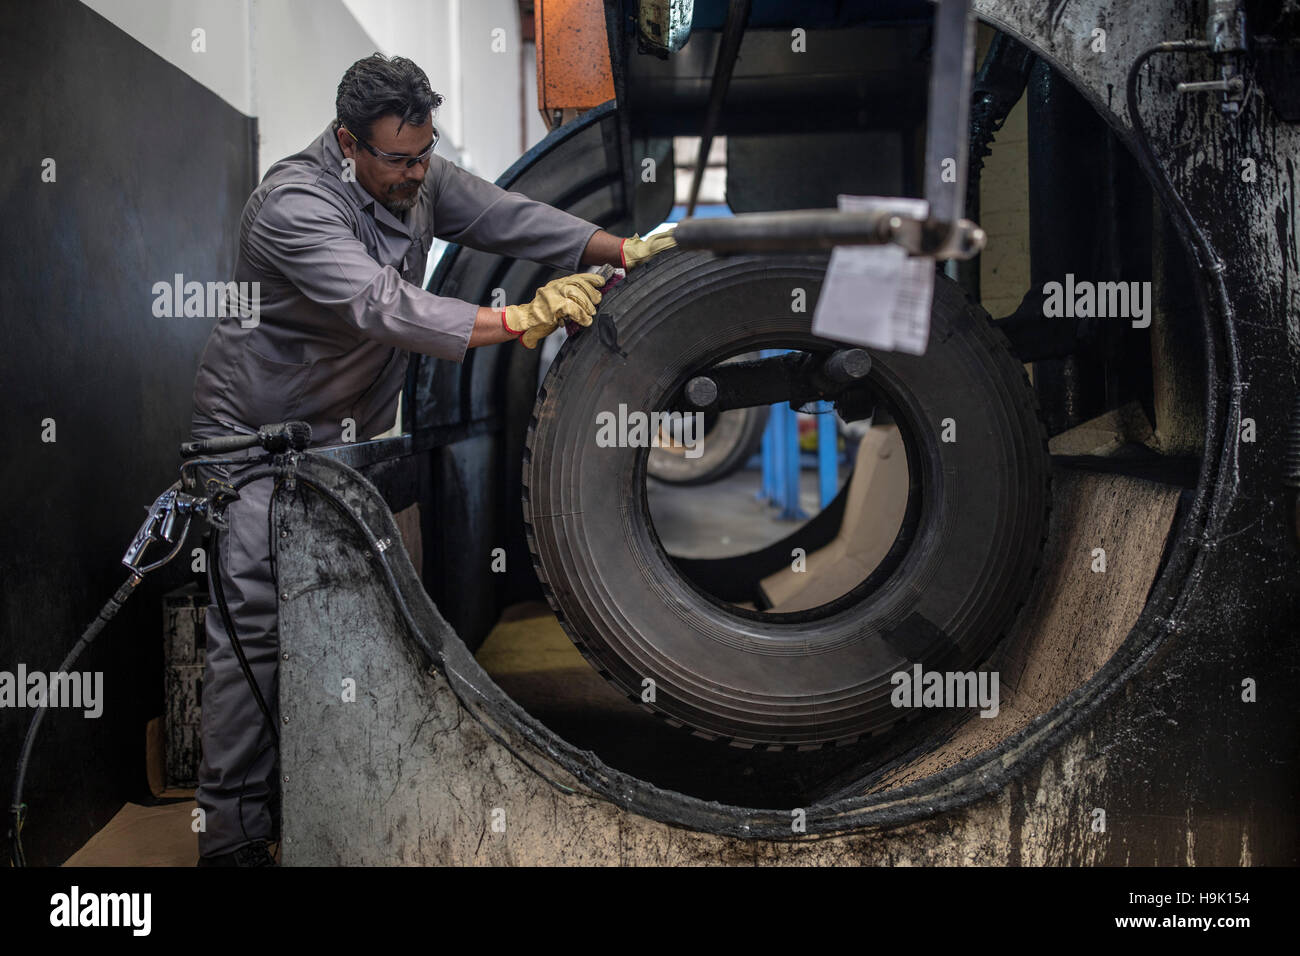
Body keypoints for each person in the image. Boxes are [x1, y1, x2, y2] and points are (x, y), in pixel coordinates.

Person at [188, 53, 675, 866]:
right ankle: (233, 839)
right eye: (399, 159)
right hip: (255, 447)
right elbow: (384, 306)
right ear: (348, 143)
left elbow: (506, 217)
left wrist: (615, 249)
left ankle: (325, 798)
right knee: (257, 636)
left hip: (347, 445)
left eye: (426, 153)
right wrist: (521, 318)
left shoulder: (415, 176)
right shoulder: (294, 206)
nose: (419, 173)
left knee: (360, 625)